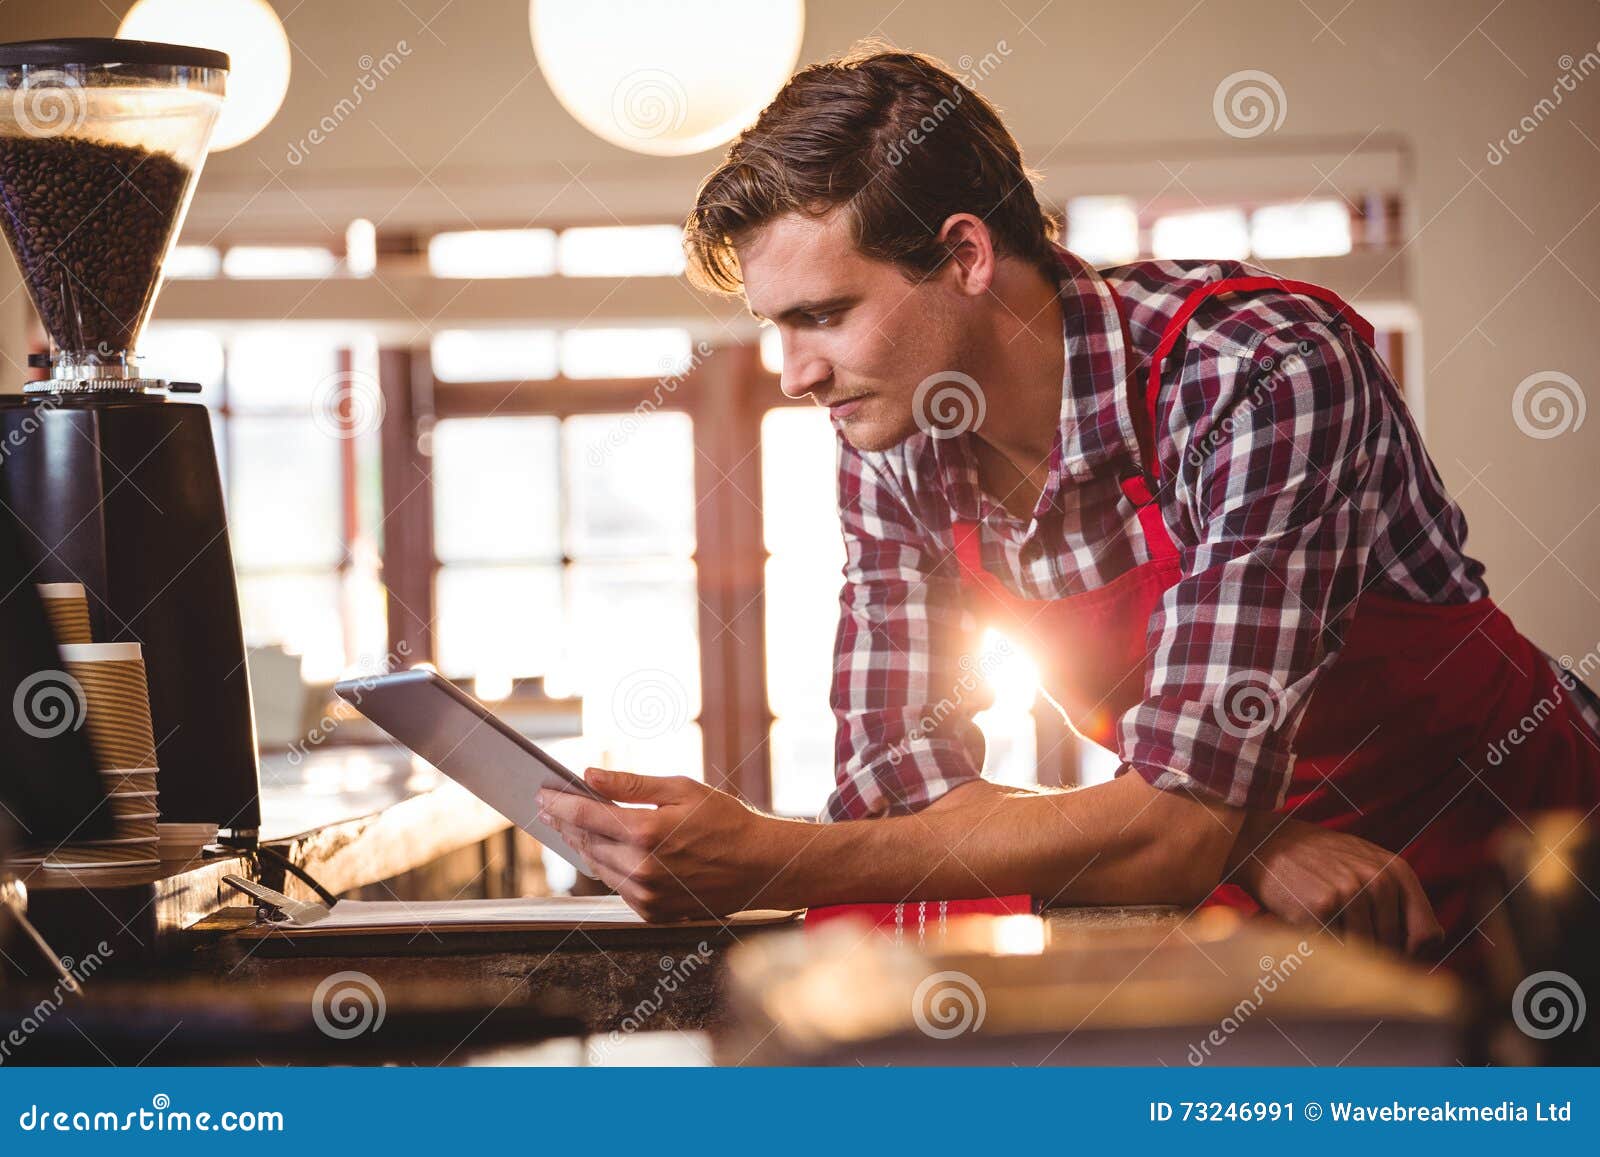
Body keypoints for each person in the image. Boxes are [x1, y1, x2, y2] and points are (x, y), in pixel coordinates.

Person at [538, 46, 1600, 966]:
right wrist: (1254, 840)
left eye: (823, 314)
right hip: (1283, 917)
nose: (793, 373)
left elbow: (1171, 831)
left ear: (965, 255)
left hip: (1540, 869)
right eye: (777, 325)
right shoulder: (892, 434)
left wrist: (775, 856)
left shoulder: (1256, 374)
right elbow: (905, 790)